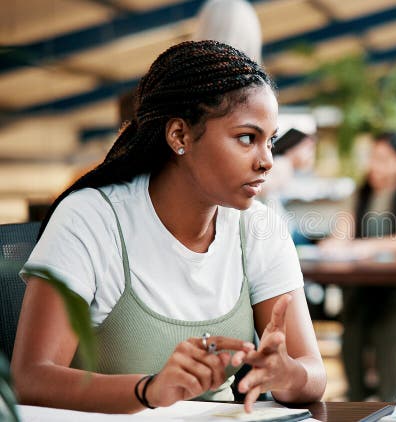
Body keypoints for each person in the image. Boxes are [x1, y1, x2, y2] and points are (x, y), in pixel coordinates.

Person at [11, 40, 325, 414]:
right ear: (180, 136)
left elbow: (313, 373)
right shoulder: (92, 219)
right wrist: (149, 390)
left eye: (270, 141)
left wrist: (286, 374)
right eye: (247, 138)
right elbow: (30, 379)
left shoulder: (260, 228)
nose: (267, 161)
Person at [319, 132, 396, 401]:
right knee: (353, 326)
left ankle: (389, 400)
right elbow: (341, 234)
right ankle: (355, 401)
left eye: (383, 159)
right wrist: (332, 245)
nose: (374, 165)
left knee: (387, 328)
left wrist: (368, 246)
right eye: (372, 157)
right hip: (365, 285)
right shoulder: (360, 193)